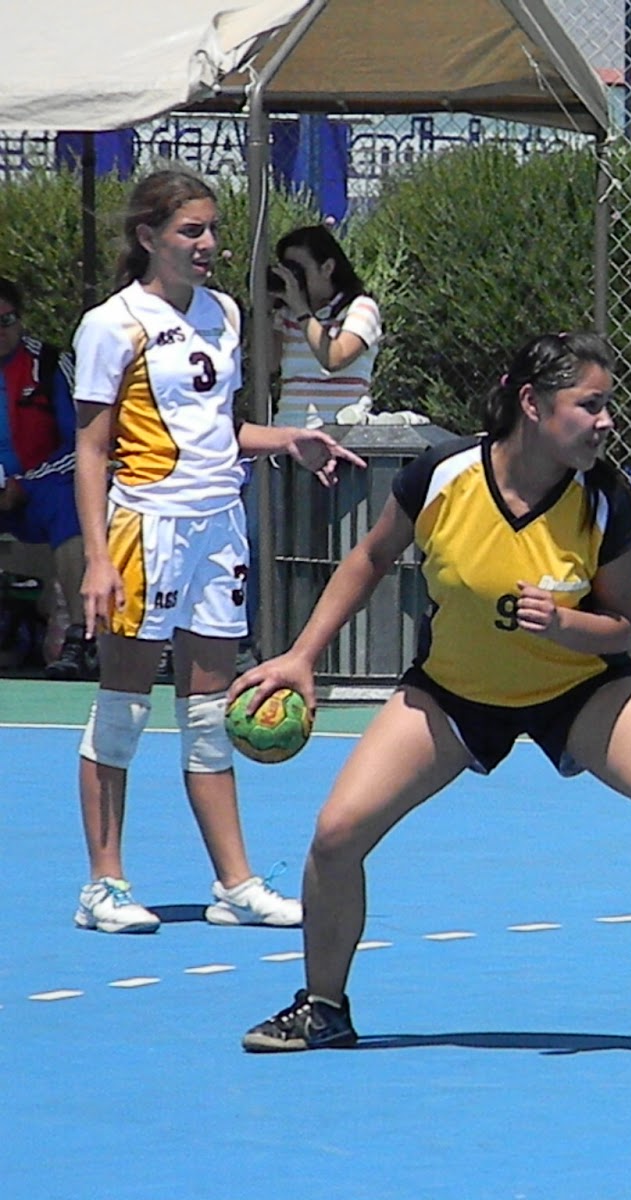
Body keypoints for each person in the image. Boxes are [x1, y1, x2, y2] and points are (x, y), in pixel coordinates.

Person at [233, 331, 631, 1070]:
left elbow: (619, 631)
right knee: (338, 832)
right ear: (533, 405)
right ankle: (323, 1008)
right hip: (455, 691)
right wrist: (302, 656)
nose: (607, 422)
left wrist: (564, 622)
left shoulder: (604, 498)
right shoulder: (444, 477)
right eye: (590, 406)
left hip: (578, 689)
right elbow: (372, 557)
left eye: (610, 407)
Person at [70, 169, 367, 934]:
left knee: (209, 709)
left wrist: (290, 440)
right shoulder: (114, 324)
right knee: (124, 707)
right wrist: (99, 559)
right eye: (190, 232)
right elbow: (94, 449)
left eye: (212, 230)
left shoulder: (225, 314)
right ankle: (103, 883)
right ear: (148, 238)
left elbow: (220, 429)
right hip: (149, 527)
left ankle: (233, 883)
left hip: (217, 526)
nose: (208, 245)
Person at [0, 277, 96, 680]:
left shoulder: (52, 363)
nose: (1, 331)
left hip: (39, 490)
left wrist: (23, 484)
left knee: (69, 505)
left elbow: (82, 442)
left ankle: (81, 640)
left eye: (7, 320)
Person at [267, 224, 382, 428]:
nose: (295, 279)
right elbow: (268, 365)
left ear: (327, 268)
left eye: (300, 271)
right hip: (290, 434)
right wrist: (263, 309)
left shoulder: (360, 308)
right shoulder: (286, 314)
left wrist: (302, 310)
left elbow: (334, 358)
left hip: (343, 437)